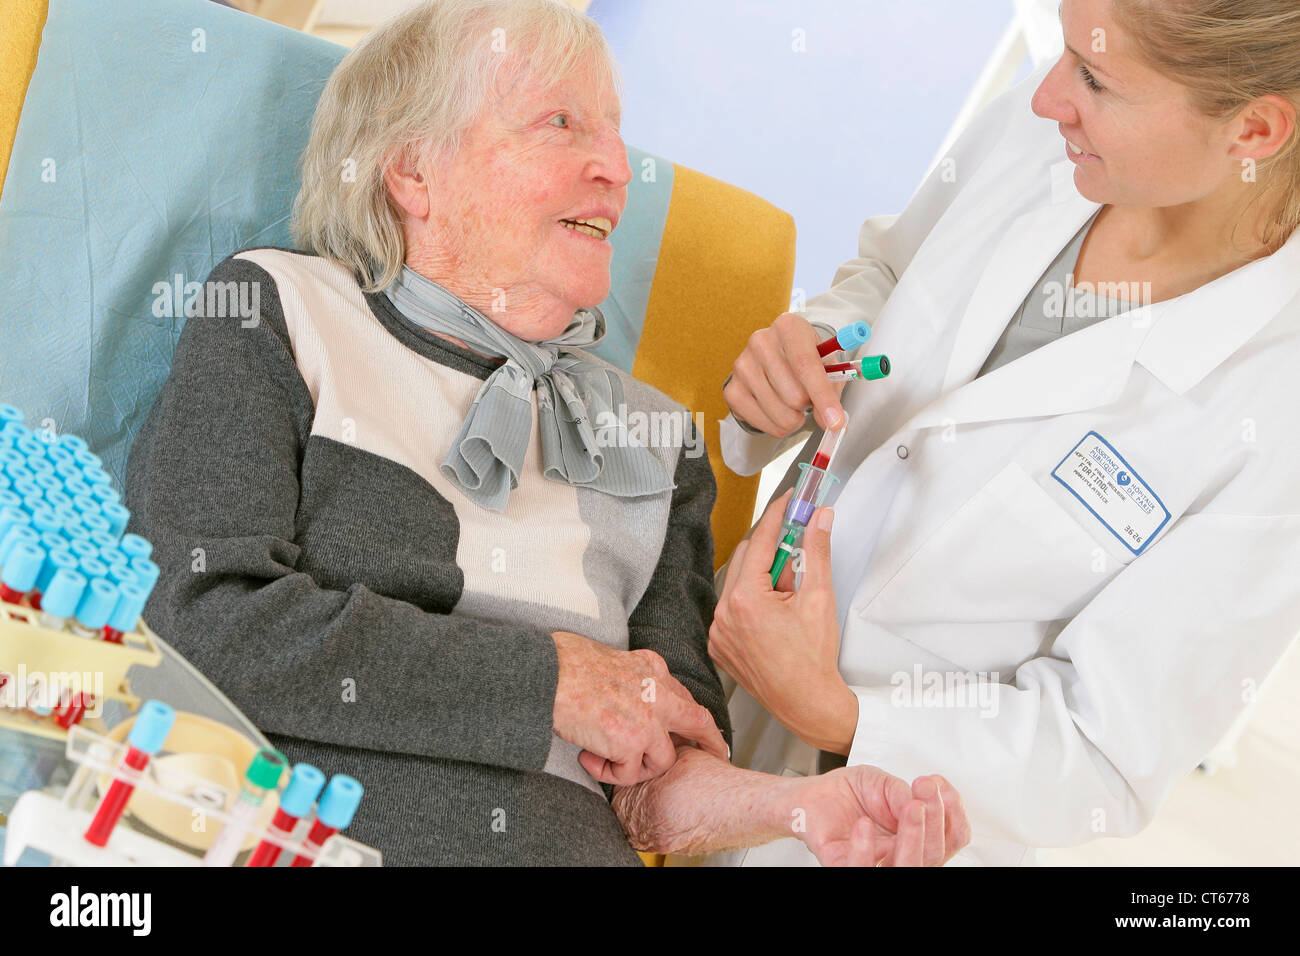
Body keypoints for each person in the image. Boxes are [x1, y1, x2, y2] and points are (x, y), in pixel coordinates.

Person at [125, 0, 968, 866]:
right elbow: (200, 619)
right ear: (414, 170)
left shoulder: (658, 439)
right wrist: (550, 680)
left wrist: (800, 811)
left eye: (614, 134)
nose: (615, 166)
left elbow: (654, 784)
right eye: (560, 123)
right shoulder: (279, 310)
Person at [712, 0, 1300, 866]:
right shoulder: (1057, 135)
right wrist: (816, 355)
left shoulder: (1273, 405)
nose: (1046, 97)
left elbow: (1102, 754)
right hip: (715, 657)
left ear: (1253, 130)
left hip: (886, 825)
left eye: (1096, 78)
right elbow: (889, 272)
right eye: (1066, 52)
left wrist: (839, 713)